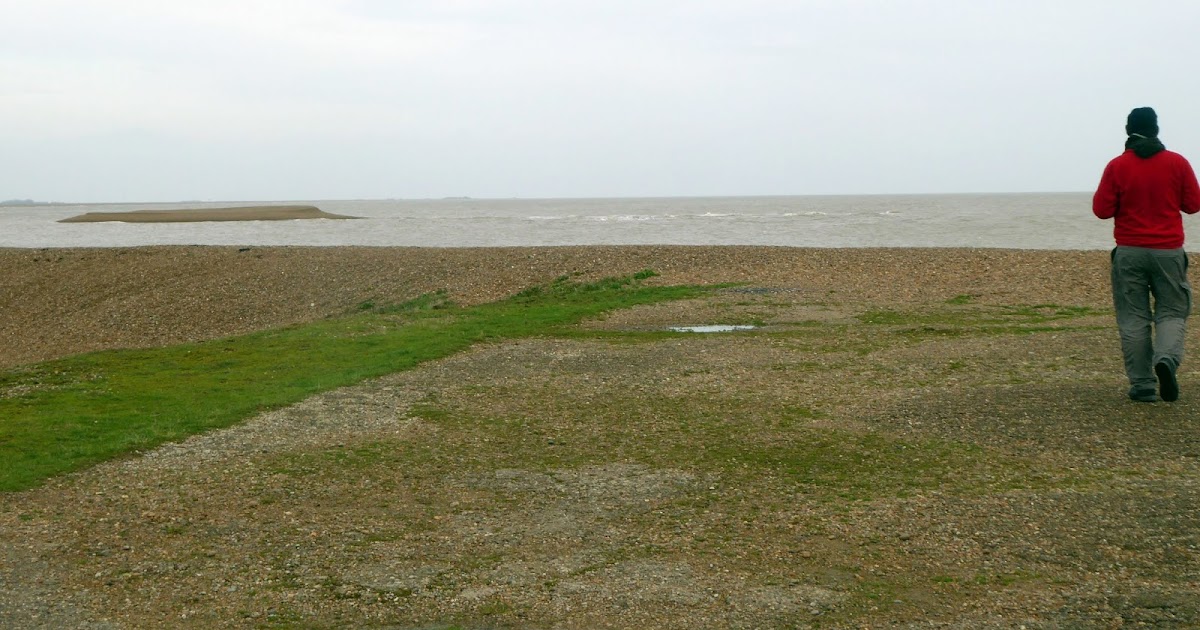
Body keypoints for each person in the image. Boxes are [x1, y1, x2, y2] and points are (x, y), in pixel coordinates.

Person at [1093, 107, 1200, 402]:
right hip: (1168, 251)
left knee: (1133, 318)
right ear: (1156, 129)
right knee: (1172, 311)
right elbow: (1193, 205)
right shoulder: (1177, 163)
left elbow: (1101, 210)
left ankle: (1142, 385)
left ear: (1128, 130)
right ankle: (1166, 359)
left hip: (1129, 251)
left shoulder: (1117, 166)